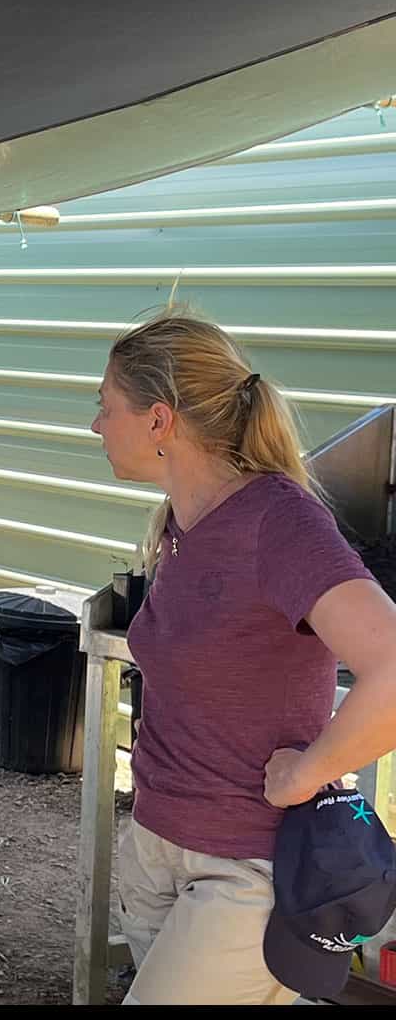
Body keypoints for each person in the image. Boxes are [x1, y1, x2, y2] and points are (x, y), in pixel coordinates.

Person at [90, 314, 396, 1005]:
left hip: (248, 869)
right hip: (161, 848)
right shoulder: (179, 520)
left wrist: (310, 770)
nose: (95, 425)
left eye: (106, 407)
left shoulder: (279, 521)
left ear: (159, 420)